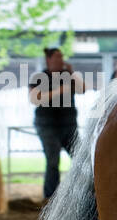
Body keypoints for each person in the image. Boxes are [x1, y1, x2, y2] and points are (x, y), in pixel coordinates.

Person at [30, 47, 86, 200]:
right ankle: (51, 197)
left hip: (69, 125)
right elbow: (35, 98)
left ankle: (84, 195)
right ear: (48, 60)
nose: (61, 60)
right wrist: (59, 91)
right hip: (47, 125)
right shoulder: (39, 77)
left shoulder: (68, 75)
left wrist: (72, 72)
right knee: (53, 159)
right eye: (57, 57)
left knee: (81, 158)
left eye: (62, 57)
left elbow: (83, 89)